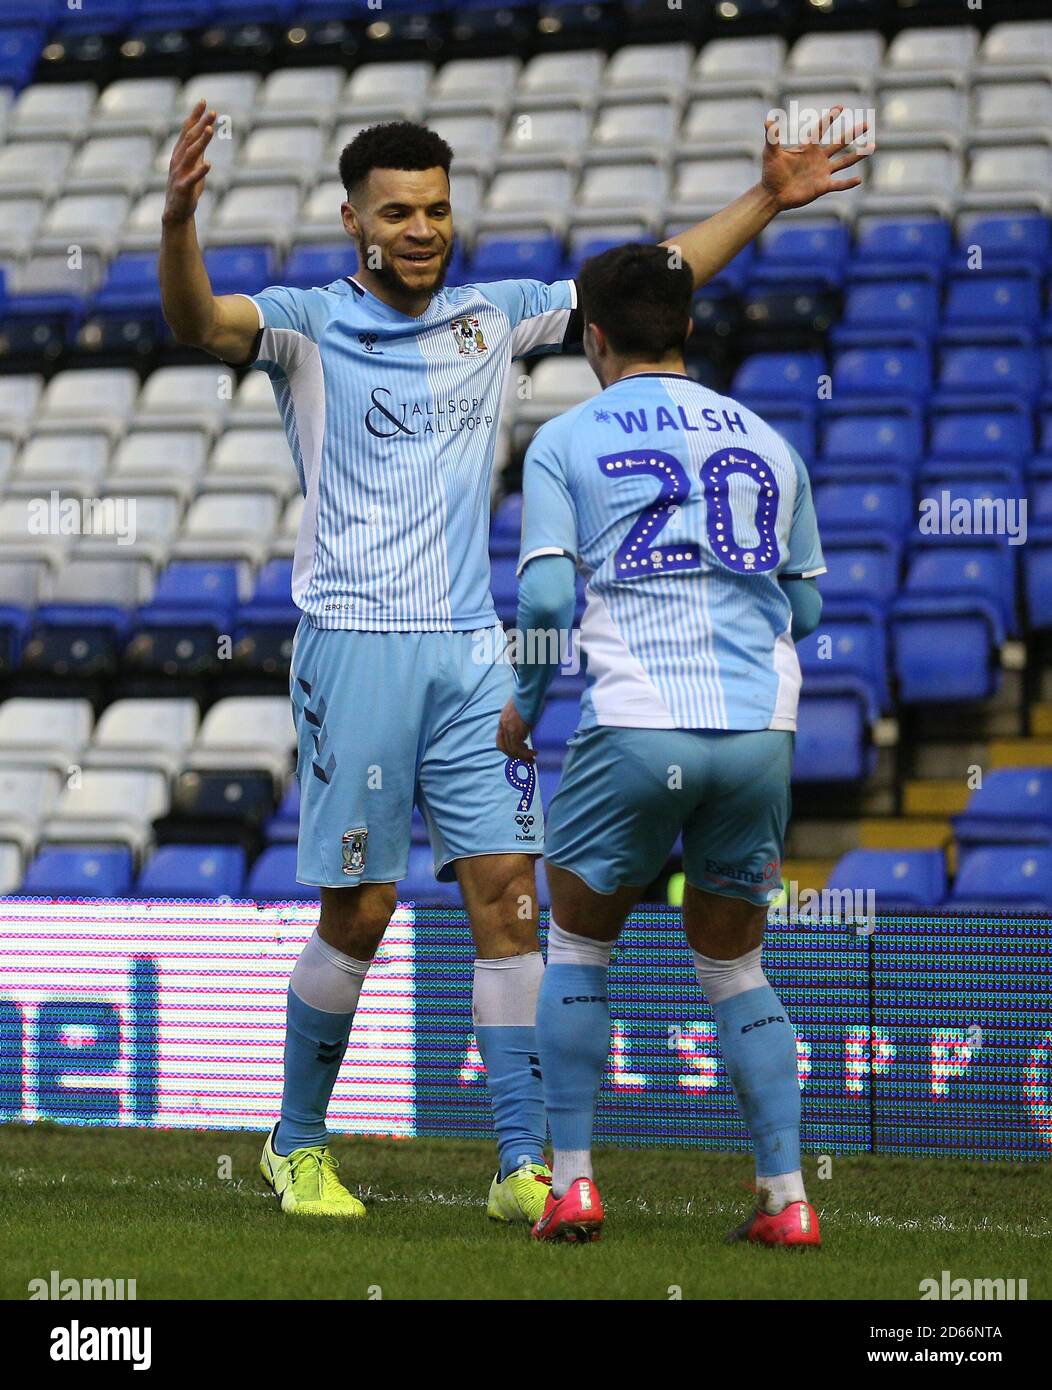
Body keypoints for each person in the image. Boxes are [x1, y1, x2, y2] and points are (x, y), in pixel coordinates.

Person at [160, 101, 865, 1224]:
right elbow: (199, 321)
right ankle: (293, 1145)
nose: (423, 228)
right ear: (354, 221)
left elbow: (655, 279)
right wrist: (179, 222)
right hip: (354, 645)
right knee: (364, 906)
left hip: (473, 654)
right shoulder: (304, 323)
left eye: (437, 207)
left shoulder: (494, 318)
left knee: (509, 901)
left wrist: (769, 199)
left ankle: (521, 1162)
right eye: (398, 211)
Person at [497, 242, 826, 1246]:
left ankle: (575, 1183)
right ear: (684, 328)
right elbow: (804, 605)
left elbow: (549, 594)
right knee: (733, 965)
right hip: (760, 723)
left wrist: (523, 701)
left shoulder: (565, 439)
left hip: (638, 715)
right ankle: (785, 1196)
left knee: (578, 943)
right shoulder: (769, 441)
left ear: (590, 337)